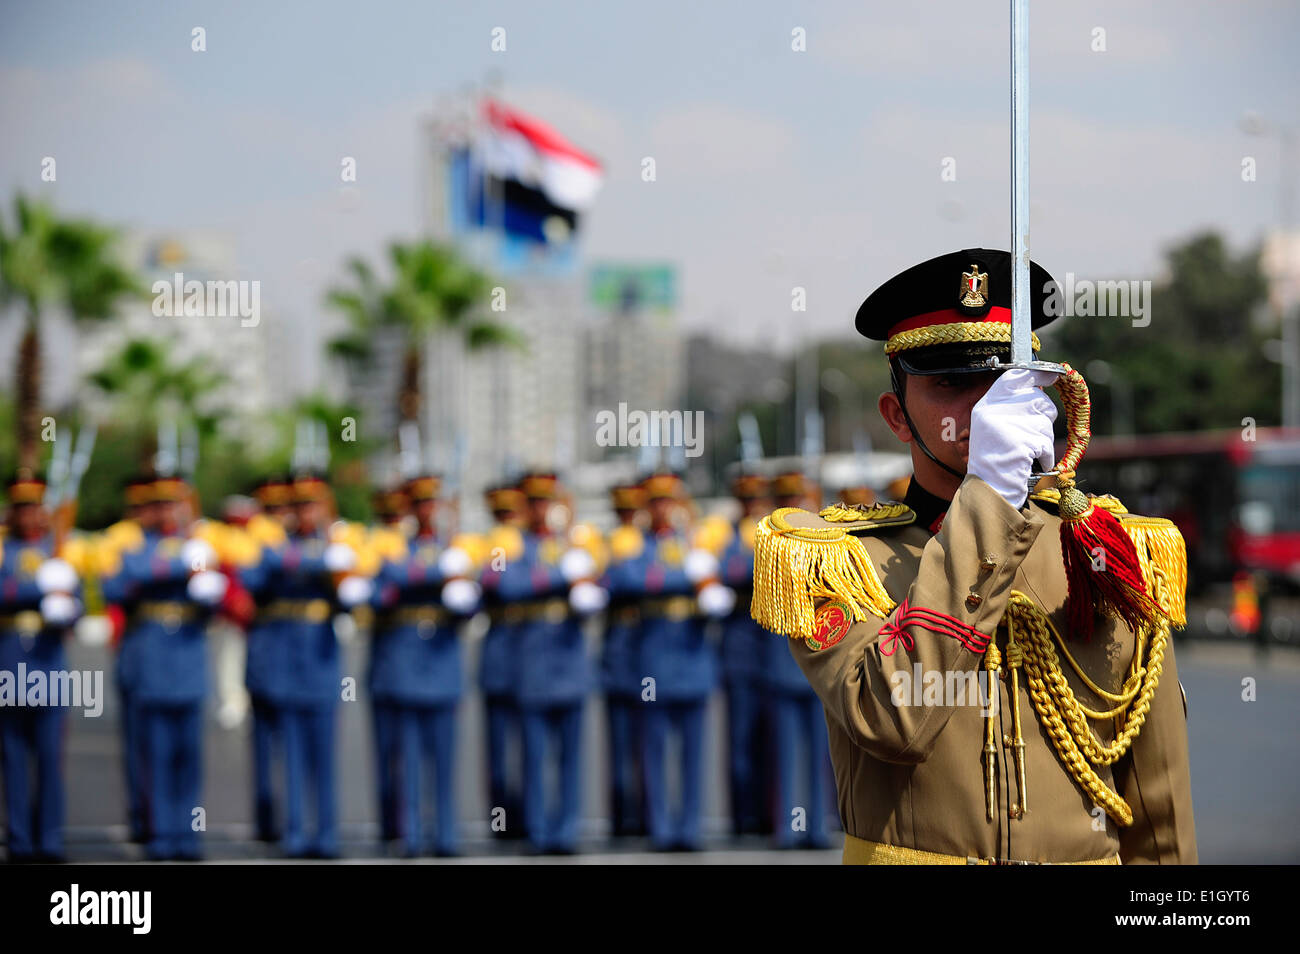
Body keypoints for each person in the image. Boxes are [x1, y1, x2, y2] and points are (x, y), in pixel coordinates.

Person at [751, 248, 1197, 864]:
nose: (984, 411)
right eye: (951, 385)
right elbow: (895, 717)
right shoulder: (832, 560)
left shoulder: (1108, 552)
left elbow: (1159, 810)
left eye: (1001, 384)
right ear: (897, 416)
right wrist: (989, 495)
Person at [99, 474, 228, 860]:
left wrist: (209, 584)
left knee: (188, 758)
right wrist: (178, 567)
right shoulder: (134, 546)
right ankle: (159, 834)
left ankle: (187, 835)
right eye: (159, 505)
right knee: (153, 754)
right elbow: (117, 586)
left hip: (187, 660)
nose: (166, 512)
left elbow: (215, 605)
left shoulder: (198, 547)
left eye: (173, 504)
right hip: (151, 659)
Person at [604, 472, 731, 851]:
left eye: (668, 502)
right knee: (655, 751)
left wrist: (700, 573)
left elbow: (723, 584)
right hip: (654, 661)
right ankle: (661, 826)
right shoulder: (637, 546)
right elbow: (628, 579)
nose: (663, 509)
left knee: (694, 753)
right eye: (656, 503)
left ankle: (689, 827)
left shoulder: (696, 543)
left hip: (691, 656)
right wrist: (684, 576)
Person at [481, 472, 599, 853]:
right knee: (532, 755)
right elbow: (505, 584)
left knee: (570, 756)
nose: (542, 511)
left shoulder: (575, 543)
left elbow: (605, 582)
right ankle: (537, 829)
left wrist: (586, 583)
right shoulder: (515, 545)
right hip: (531, 661)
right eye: (535, 503)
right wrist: (558, 575)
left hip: (568, 658)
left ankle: (566, 830)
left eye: (547, 503)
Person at [367, 474, 479, 856]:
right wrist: (438, 574)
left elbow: (472, 603)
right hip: (406, 663)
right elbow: (386, 584)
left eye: (435, 504)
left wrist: (465, 594)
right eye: (422, 505)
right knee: (409, 759)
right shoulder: (398, 549)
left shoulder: (457, 551)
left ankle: (446, 833)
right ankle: (411, 833)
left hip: (443, 663)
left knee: (445, 760)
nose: (429, 512)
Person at [0, 473, 82, 862]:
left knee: (51, 763)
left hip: (50, 670)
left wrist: (67, 606)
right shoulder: (3, 548)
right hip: (10, 667)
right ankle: (19, 840)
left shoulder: (59, 548)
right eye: (23, 508)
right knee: (13, 763)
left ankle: (49, 840)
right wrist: (38, 589)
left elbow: (76, 604)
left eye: (36, 508)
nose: (30, 516)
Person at [762, 471, 833, 848]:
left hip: (822, 662)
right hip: (785, 662)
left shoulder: (831, 544)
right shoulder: (770, 544)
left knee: (823, 755)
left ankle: (818, 825)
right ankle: (789, 826)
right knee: (787, 754)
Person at [716, 472, 772, 837]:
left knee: (771, 736)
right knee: (740, 736)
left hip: (771, 640)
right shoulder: (725, 533)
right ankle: (743, 815)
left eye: (756, 500)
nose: (751, 506)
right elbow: (723, 569)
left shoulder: (774, 529)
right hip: (740, 642)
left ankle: (771, 812)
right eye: (746, 500)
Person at [476, 483, 527, 837]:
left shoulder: (534, 544)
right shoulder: (490, 545)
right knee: (497, 749)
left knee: (530, 746)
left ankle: (526, 815)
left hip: (532, 656)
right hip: (500, 653)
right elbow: (495, 583)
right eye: (502, 515)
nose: (508, 522)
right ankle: (502, 820)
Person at [599, 483, 648, 837]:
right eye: (624, 513)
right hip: (619, 647)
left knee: (647, 742)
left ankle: (646, 814)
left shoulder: (650, 544)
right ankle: (621, 815)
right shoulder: (608, 546)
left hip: (648, 649)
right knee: (619, 744)